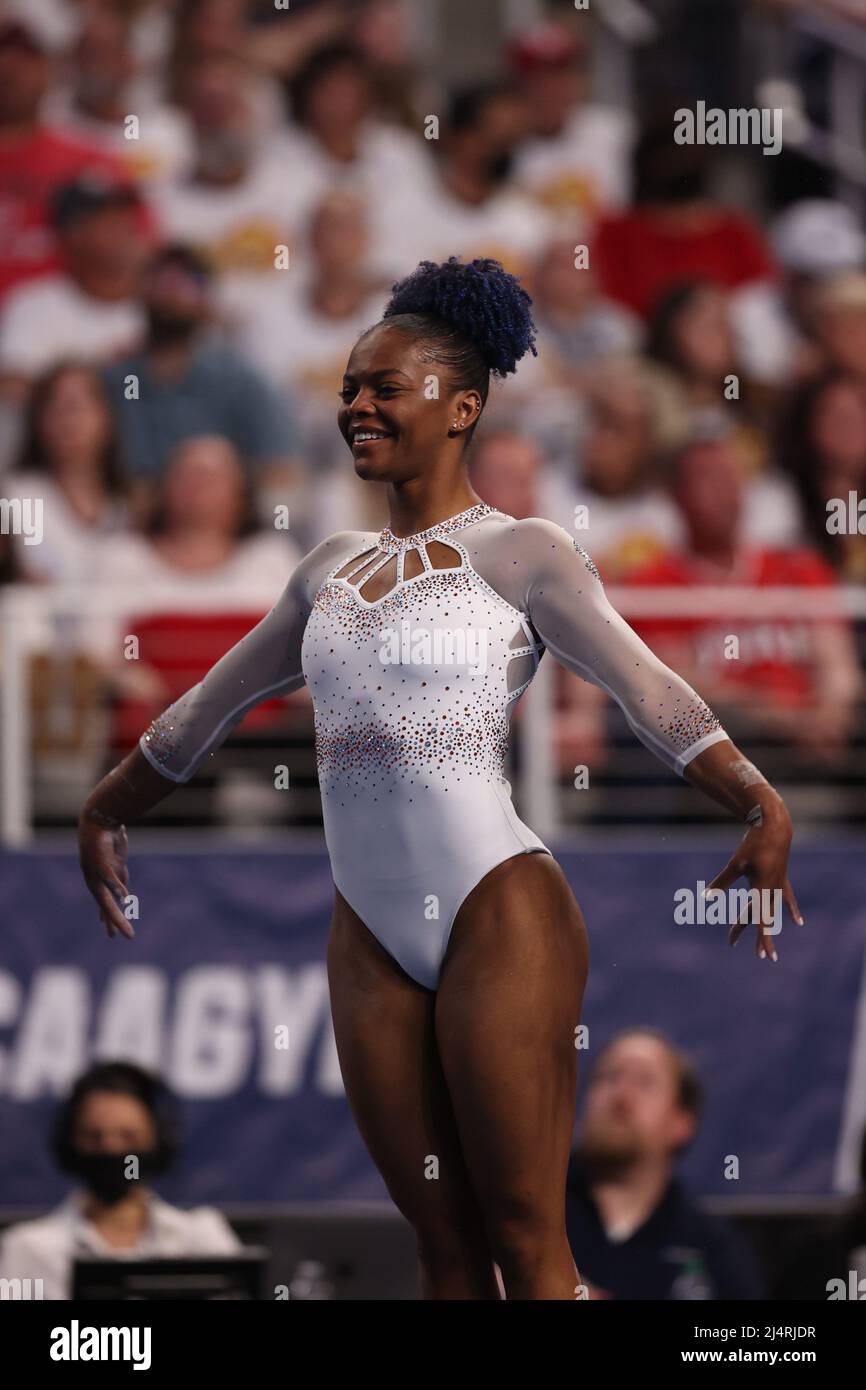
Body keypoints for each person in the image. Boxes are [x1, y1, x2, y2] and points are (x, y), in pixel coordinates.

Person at [78, 257, 801, 1301]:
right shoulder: (326, 566)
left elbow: (646, 690)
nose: (356, 407)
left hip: (495, 906)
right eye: (347, 391)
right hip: (367, 924)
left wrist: (755, 796)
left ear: (461, 407)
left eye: (384, 388)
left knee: (526, 1242)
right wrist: (108, 805)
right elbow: (206, 708)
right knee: (443, 1247)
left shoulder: (523, 552)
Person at [0, 1061, 242, 1300]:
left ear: (156, 1141)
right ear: (71, 1144)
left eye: (129, 1137)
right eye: (95, 1137)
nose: (112, 1149)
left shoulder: (201, 1240)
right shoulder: (29, 1250)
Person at [102, 242, 302, 514]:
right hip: (130, 527)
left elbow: (281, 469)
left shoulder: (240, 379)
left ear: (208, 301)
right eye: (160, 281)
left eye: (186, 283)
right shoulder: (112, 382)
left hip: (225, 527)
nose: (171, 293)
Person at [566, 1029, 765, 1300]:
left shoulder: (711, 1248)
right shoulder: (530, 1215)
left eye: (645, 1082)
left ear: (682, 1123)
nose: (622, 1096)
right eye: (609, 1077)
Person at [0, 175, 149, 393]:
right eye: (107, 221)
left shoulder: (164, 300)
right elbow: (12, 389)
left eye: (125, 217)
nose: (124, 229)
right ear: (69, 236)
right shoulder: (34, 305)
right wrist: (104, 375)